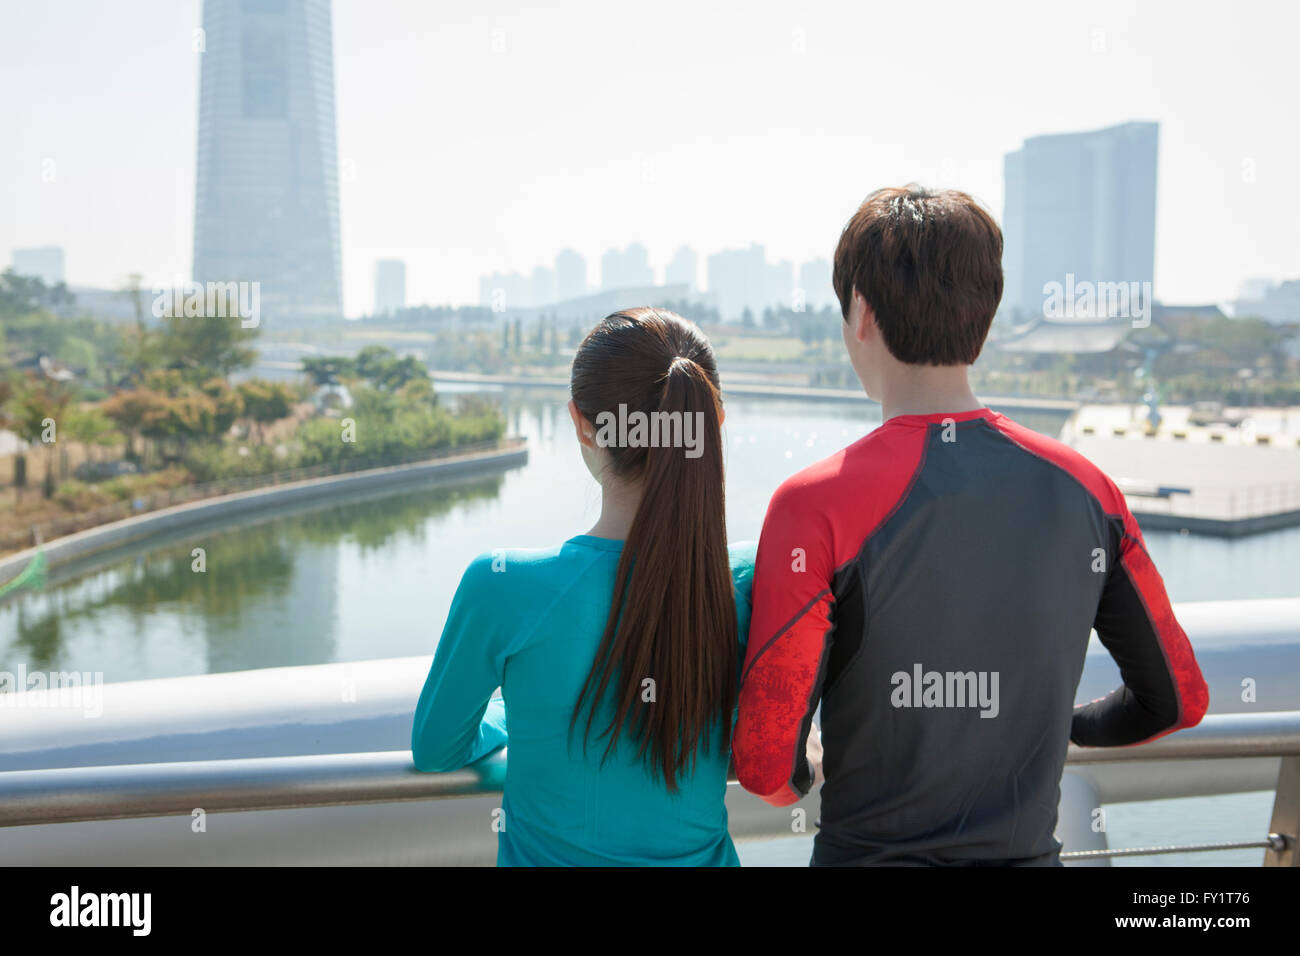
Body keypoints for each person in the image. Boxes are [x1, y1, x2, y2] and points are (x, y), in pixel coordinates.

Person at [732, 185, 1210, 866]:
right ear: (983, 320)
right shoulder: (1088, 489)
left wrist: (806, 767)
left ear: (860, 313)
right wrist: (1055, 725)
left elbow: (764, 762)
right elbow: (1177, 700)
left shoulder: (813, 504)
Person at [411, 308, 754, 866]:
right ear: (712, 423)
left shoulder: (502, 587)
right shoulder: (746, 580)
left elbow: (436, 747)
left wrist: (511, 714)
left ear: (581, 422)